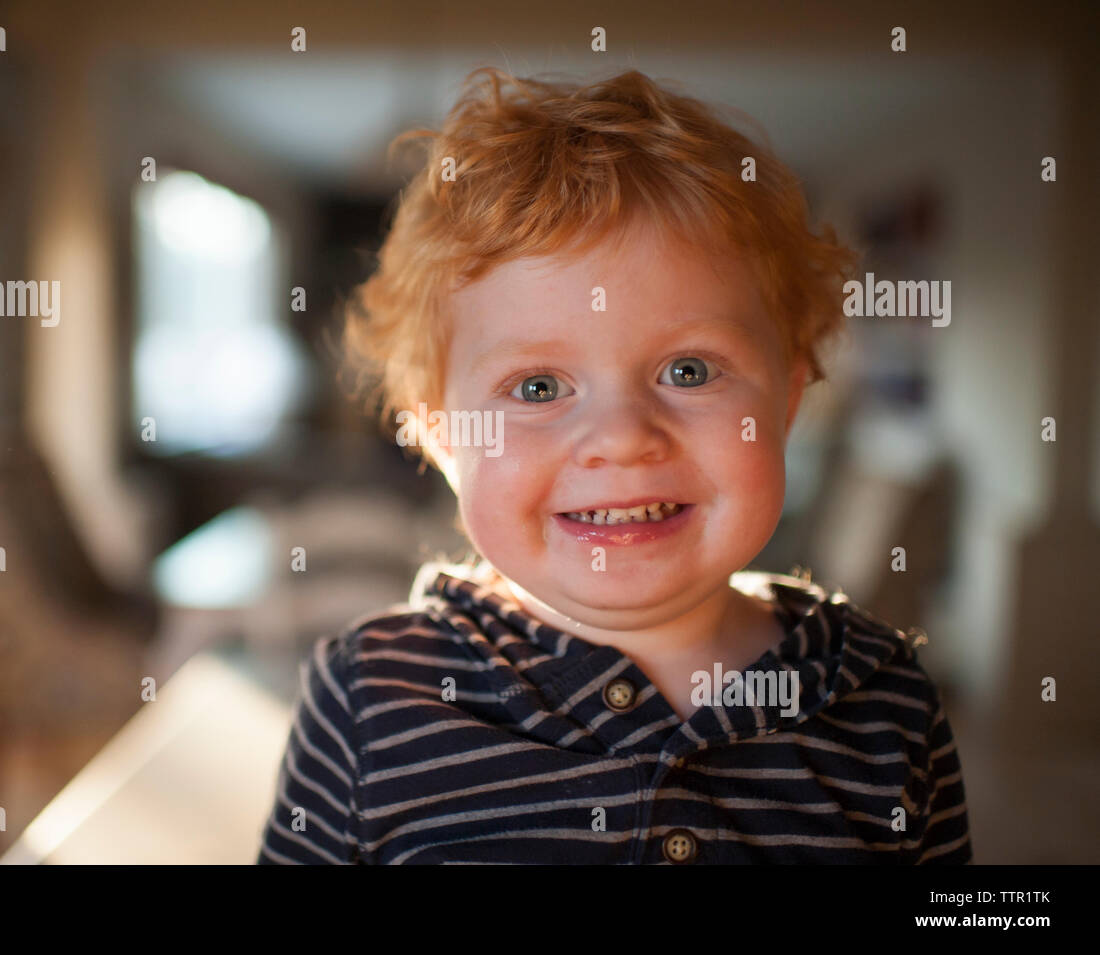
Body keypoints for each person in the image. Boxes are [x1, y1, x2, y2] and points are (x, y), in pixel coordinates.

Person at [256, 67, 972, 864]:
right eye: (537, 386)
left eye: (690, 371)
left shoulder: (884, 702)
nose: (624, 436)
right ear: (440, 439)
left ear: (788, 399)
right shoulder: (369, 699)